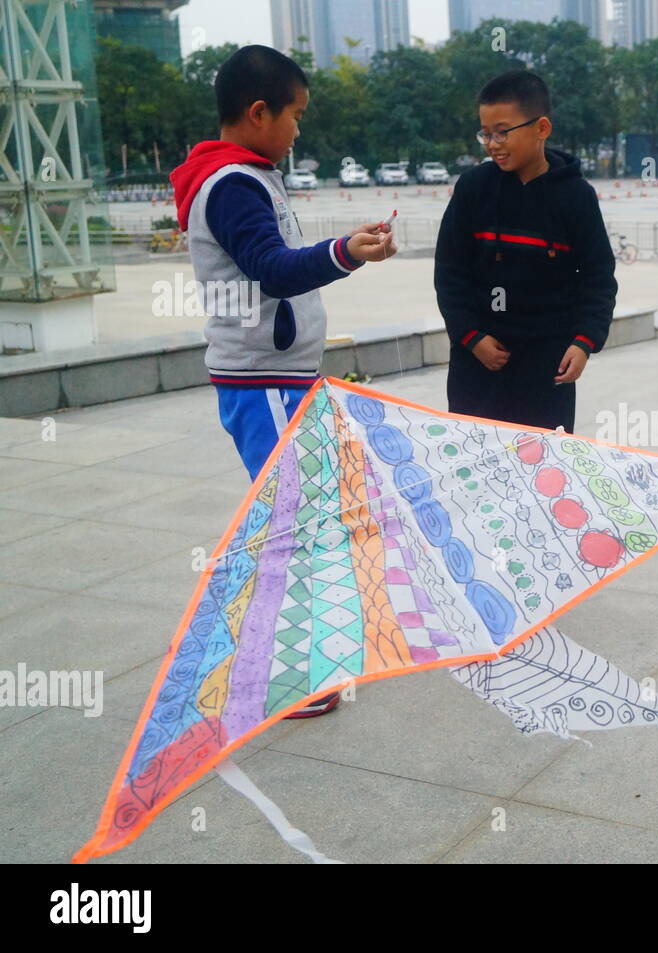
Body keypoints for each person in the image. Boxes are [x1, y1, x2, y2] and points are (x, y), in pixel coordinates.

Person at [170, 45, 396, 718]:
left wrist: (339, 250)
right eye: (295, 115)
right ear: (259, 111)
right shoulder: (233, 184)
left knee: (302, 519)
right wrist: (345, 253)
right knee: (289, 526)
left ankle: (291, 662)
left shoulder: (251, 175)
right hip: (262, 382)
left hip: (283, 378)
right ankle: (274, 673)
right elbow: (272, 269)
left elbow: (274, 266)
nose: (299, 130)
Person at [435, 71, 617, 435]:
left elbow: (597, 278)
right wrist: (472, 337)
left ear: (542, 127)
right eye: (485, 132)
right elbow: (450, 273)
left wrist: (584, 343)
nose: (492, 143)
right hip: (479, 367)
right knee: (477, 466)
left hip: (546, 367)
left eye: (502, 131)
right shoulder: (474, 189)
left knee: (542, 472)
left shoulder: (575, 196)